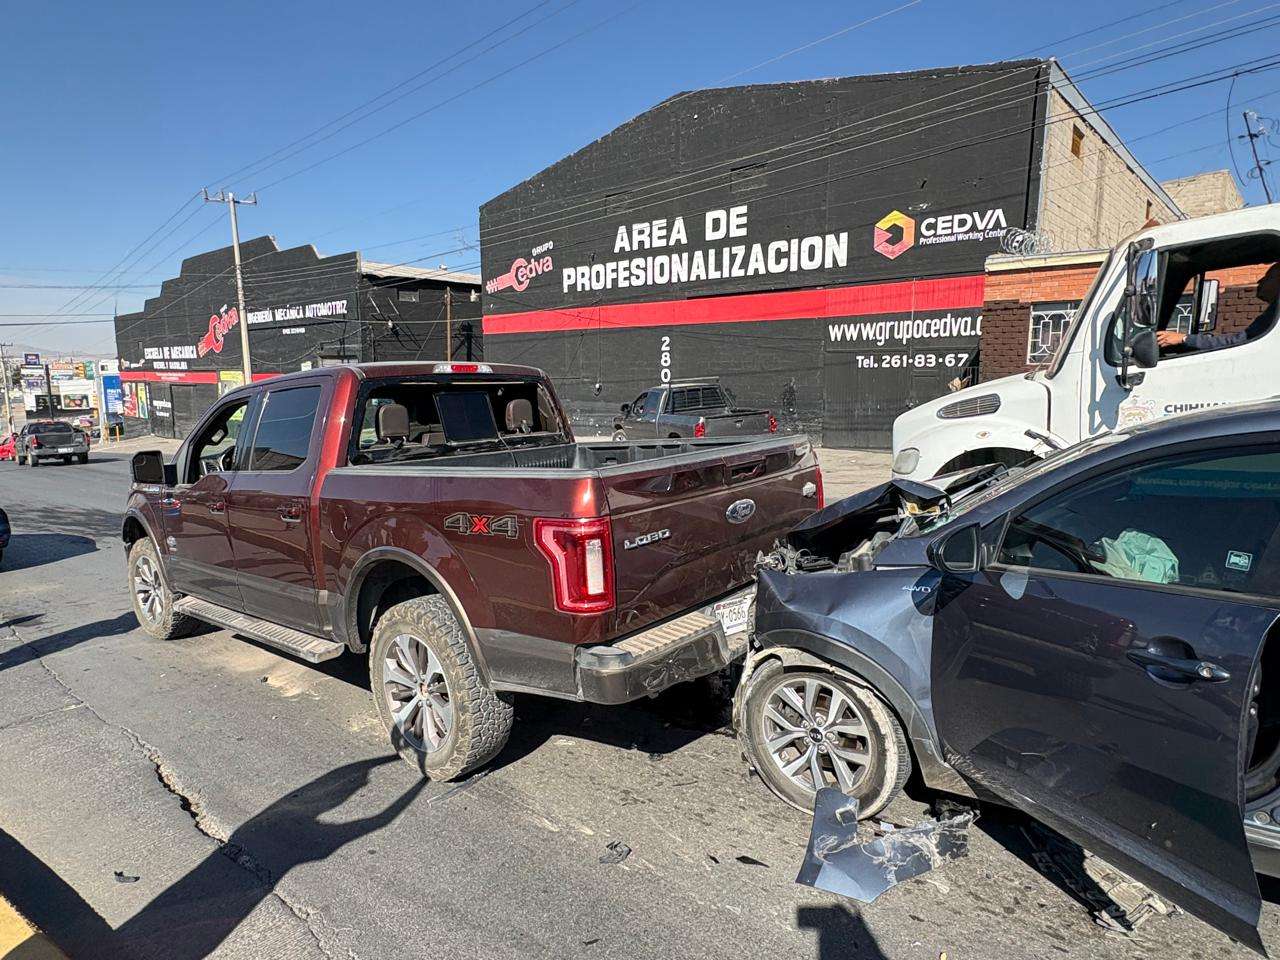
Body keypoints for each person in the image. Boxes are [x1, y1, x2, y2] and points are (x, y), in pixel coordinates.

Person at [1157, 262, 1280, 351]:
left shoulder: (1274, 314)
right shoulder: (1273, 312)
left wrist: (1184, 338)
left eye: (1268, 276)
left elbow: (1238, 342)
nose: (1260, 281)